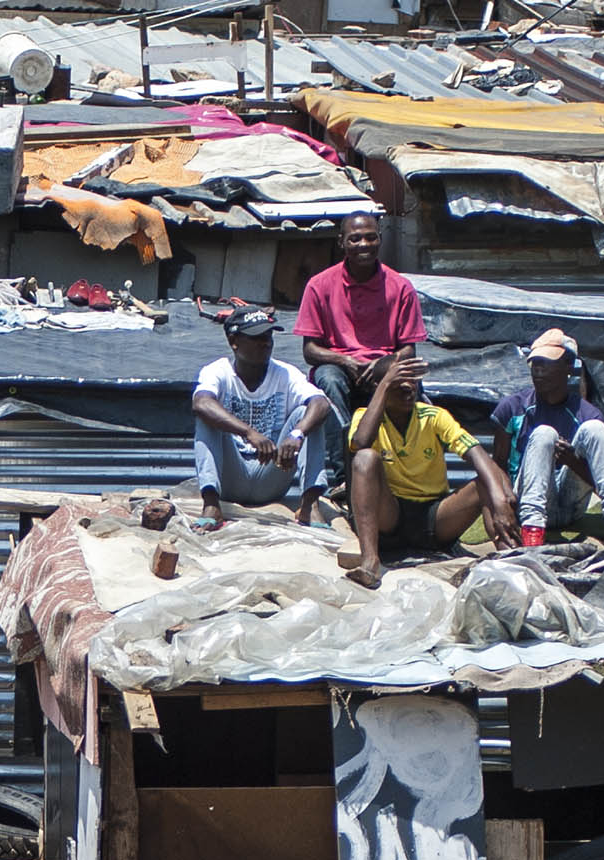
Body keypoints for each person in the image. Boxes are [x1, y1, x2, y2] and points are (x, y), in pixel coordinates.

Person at [292, 210, 424, 511]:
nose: (363, 244)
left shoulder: (400, 287)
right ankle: (343, 478)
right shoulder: (319, 285)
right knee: (326, 378)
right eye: (355, 238)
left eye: (370, 237)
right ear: (342, 243)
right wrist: (346, 361)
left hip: (383, 367)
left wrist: (383, 366)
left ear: (380, 239)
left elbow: (409, 349)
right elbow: (310, 350)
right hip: (340, 369)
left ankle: (412, 479)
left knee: (409, 379)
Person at [345, 350, 508, 586]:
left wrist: (500, 501)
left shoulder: (433, 416)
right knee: (365, 458)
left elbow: (476, 454)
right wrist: (386, 383)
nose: (409, 389)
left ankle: (508, 557)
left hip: (434, 516)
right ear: (381, 388)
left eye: (413, 382)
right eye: (399, 384)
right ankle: (370, 561)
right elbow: (359, 443)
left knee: (490, 478)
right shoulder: (365, 417)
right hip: (391, 516)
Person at [490, 326, 604, 551]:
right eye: (535, 364)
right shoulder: (512, 408)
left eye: (547, 364)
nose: (539, 371)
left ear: (568, 366)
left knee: (595, 429)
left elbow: (599, 483)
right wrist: (505, 498)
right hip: (528, 502)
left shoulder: (586, 413)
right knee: (544, 433)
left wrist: (571, 460)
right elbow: (497, 463)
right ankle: (532, 534)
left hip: (570, 506)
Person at [188, 309, 331, 517]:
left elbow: (321, 404)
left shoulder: (286, 373)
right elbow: (201, 403)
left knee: (307, 414)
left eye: (268, 337)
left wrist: (297, 434)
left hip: (272, 476)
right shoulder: (217, 371)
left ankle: (310, 504)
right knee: (207, 416)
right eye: (257, 338)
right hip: (231, 477)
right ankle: (211, 504)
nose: (266, 343)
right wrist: (248, 432)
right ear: (233, 341)